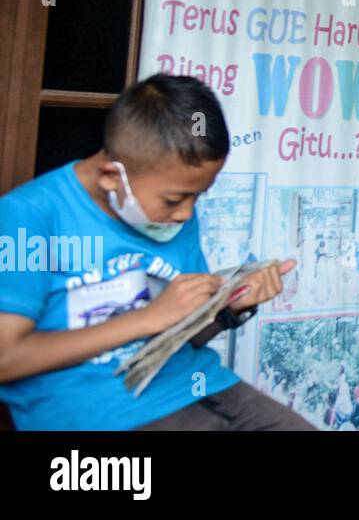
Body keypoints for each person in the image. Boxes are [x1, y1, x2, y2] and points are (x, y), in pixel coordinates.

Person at [0, 74, 309, 430]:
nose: (186, 213)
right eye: (174, 199)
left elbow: (186, 333)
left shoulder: (173, 218)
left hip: (199, 387)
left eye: (198, 196)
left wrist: (230, 307)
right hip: (103, 410)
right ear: (110, 177)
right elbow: (7, 358)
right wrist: (146, 319)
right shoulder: (28, 217)